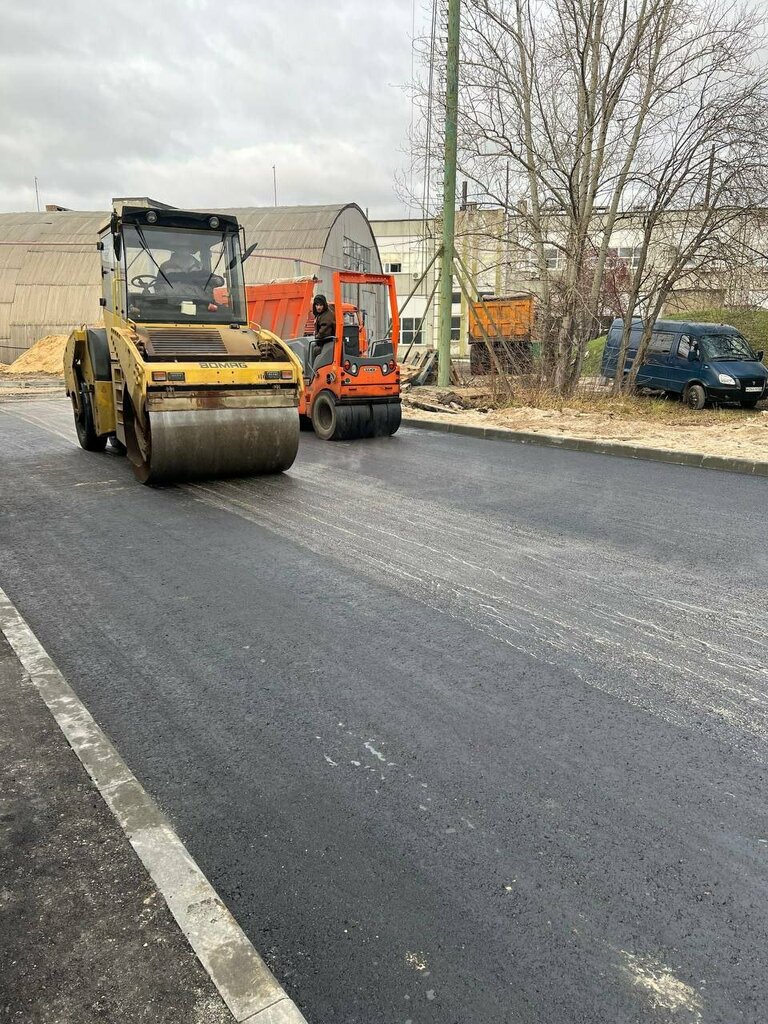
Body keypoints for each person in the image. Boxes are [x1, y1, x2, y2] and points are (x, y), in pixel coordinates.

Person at [309, 294, 336, 368]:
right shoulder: (325, 312)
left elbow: (323, 332)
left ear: (324, 305)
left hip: (327, 342)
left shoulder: (326, 316)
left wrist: (317, 336)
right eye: (317, 305)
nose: (318, 307)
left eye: (320, 305)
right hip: (327, 341)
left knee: (314, 349)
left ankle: (314, 369)